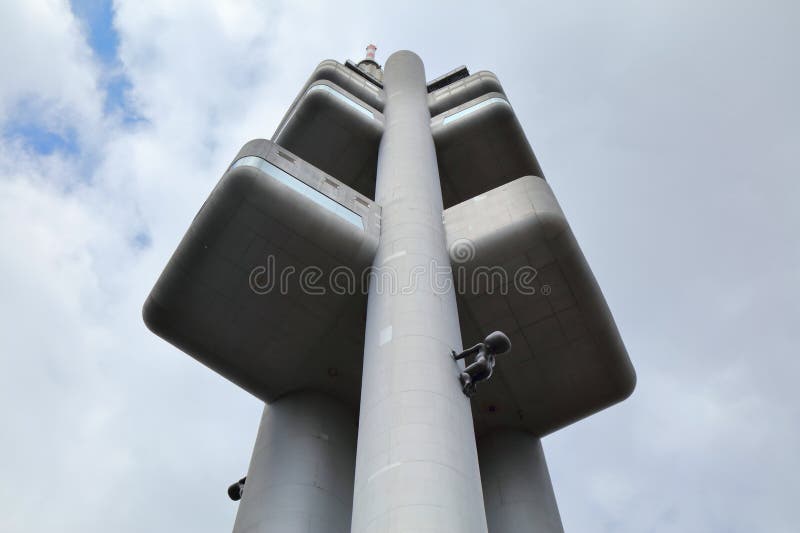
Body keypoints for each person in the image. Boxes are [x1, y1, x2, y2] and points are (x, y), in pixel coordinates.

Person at [451, 331, 511, 397]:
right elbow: (492, 365)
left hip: (482, 362)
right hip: (489, 371)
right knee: (474, 379)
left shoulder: (481, 346)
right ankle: (472, 387)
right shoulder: (492, 359)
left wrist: (457, 356)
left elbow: (468, 352)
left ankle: (467, 382)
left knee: (464, 373)